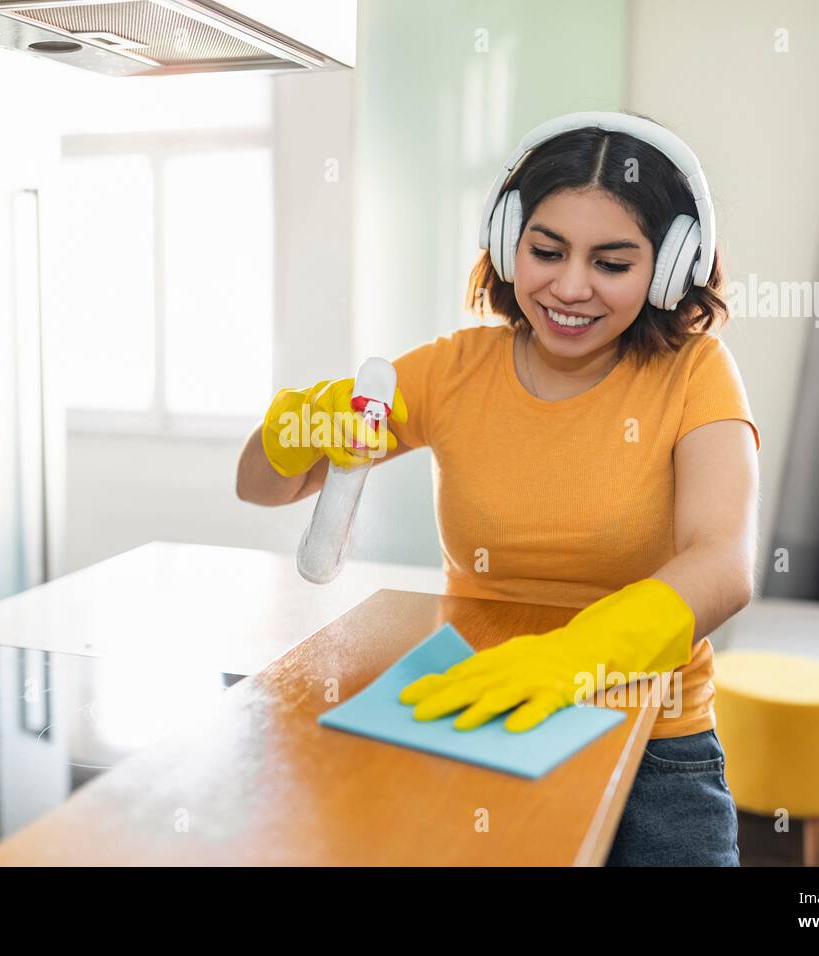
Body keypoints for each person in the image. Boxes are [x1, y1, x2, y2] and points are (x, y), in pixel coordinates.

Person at [235, 112, 759, 866]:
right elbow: (261, 487)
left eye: (612, 263)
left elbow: (722, 564)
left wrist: (579, 659)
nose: (570, 287)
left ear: (670, 268)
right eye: (547, 251)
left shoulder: (695, 373)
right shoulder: (453, 371)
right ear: (509, 239)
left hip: (654, 746)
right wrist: (294, 430)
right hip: (484, 717)